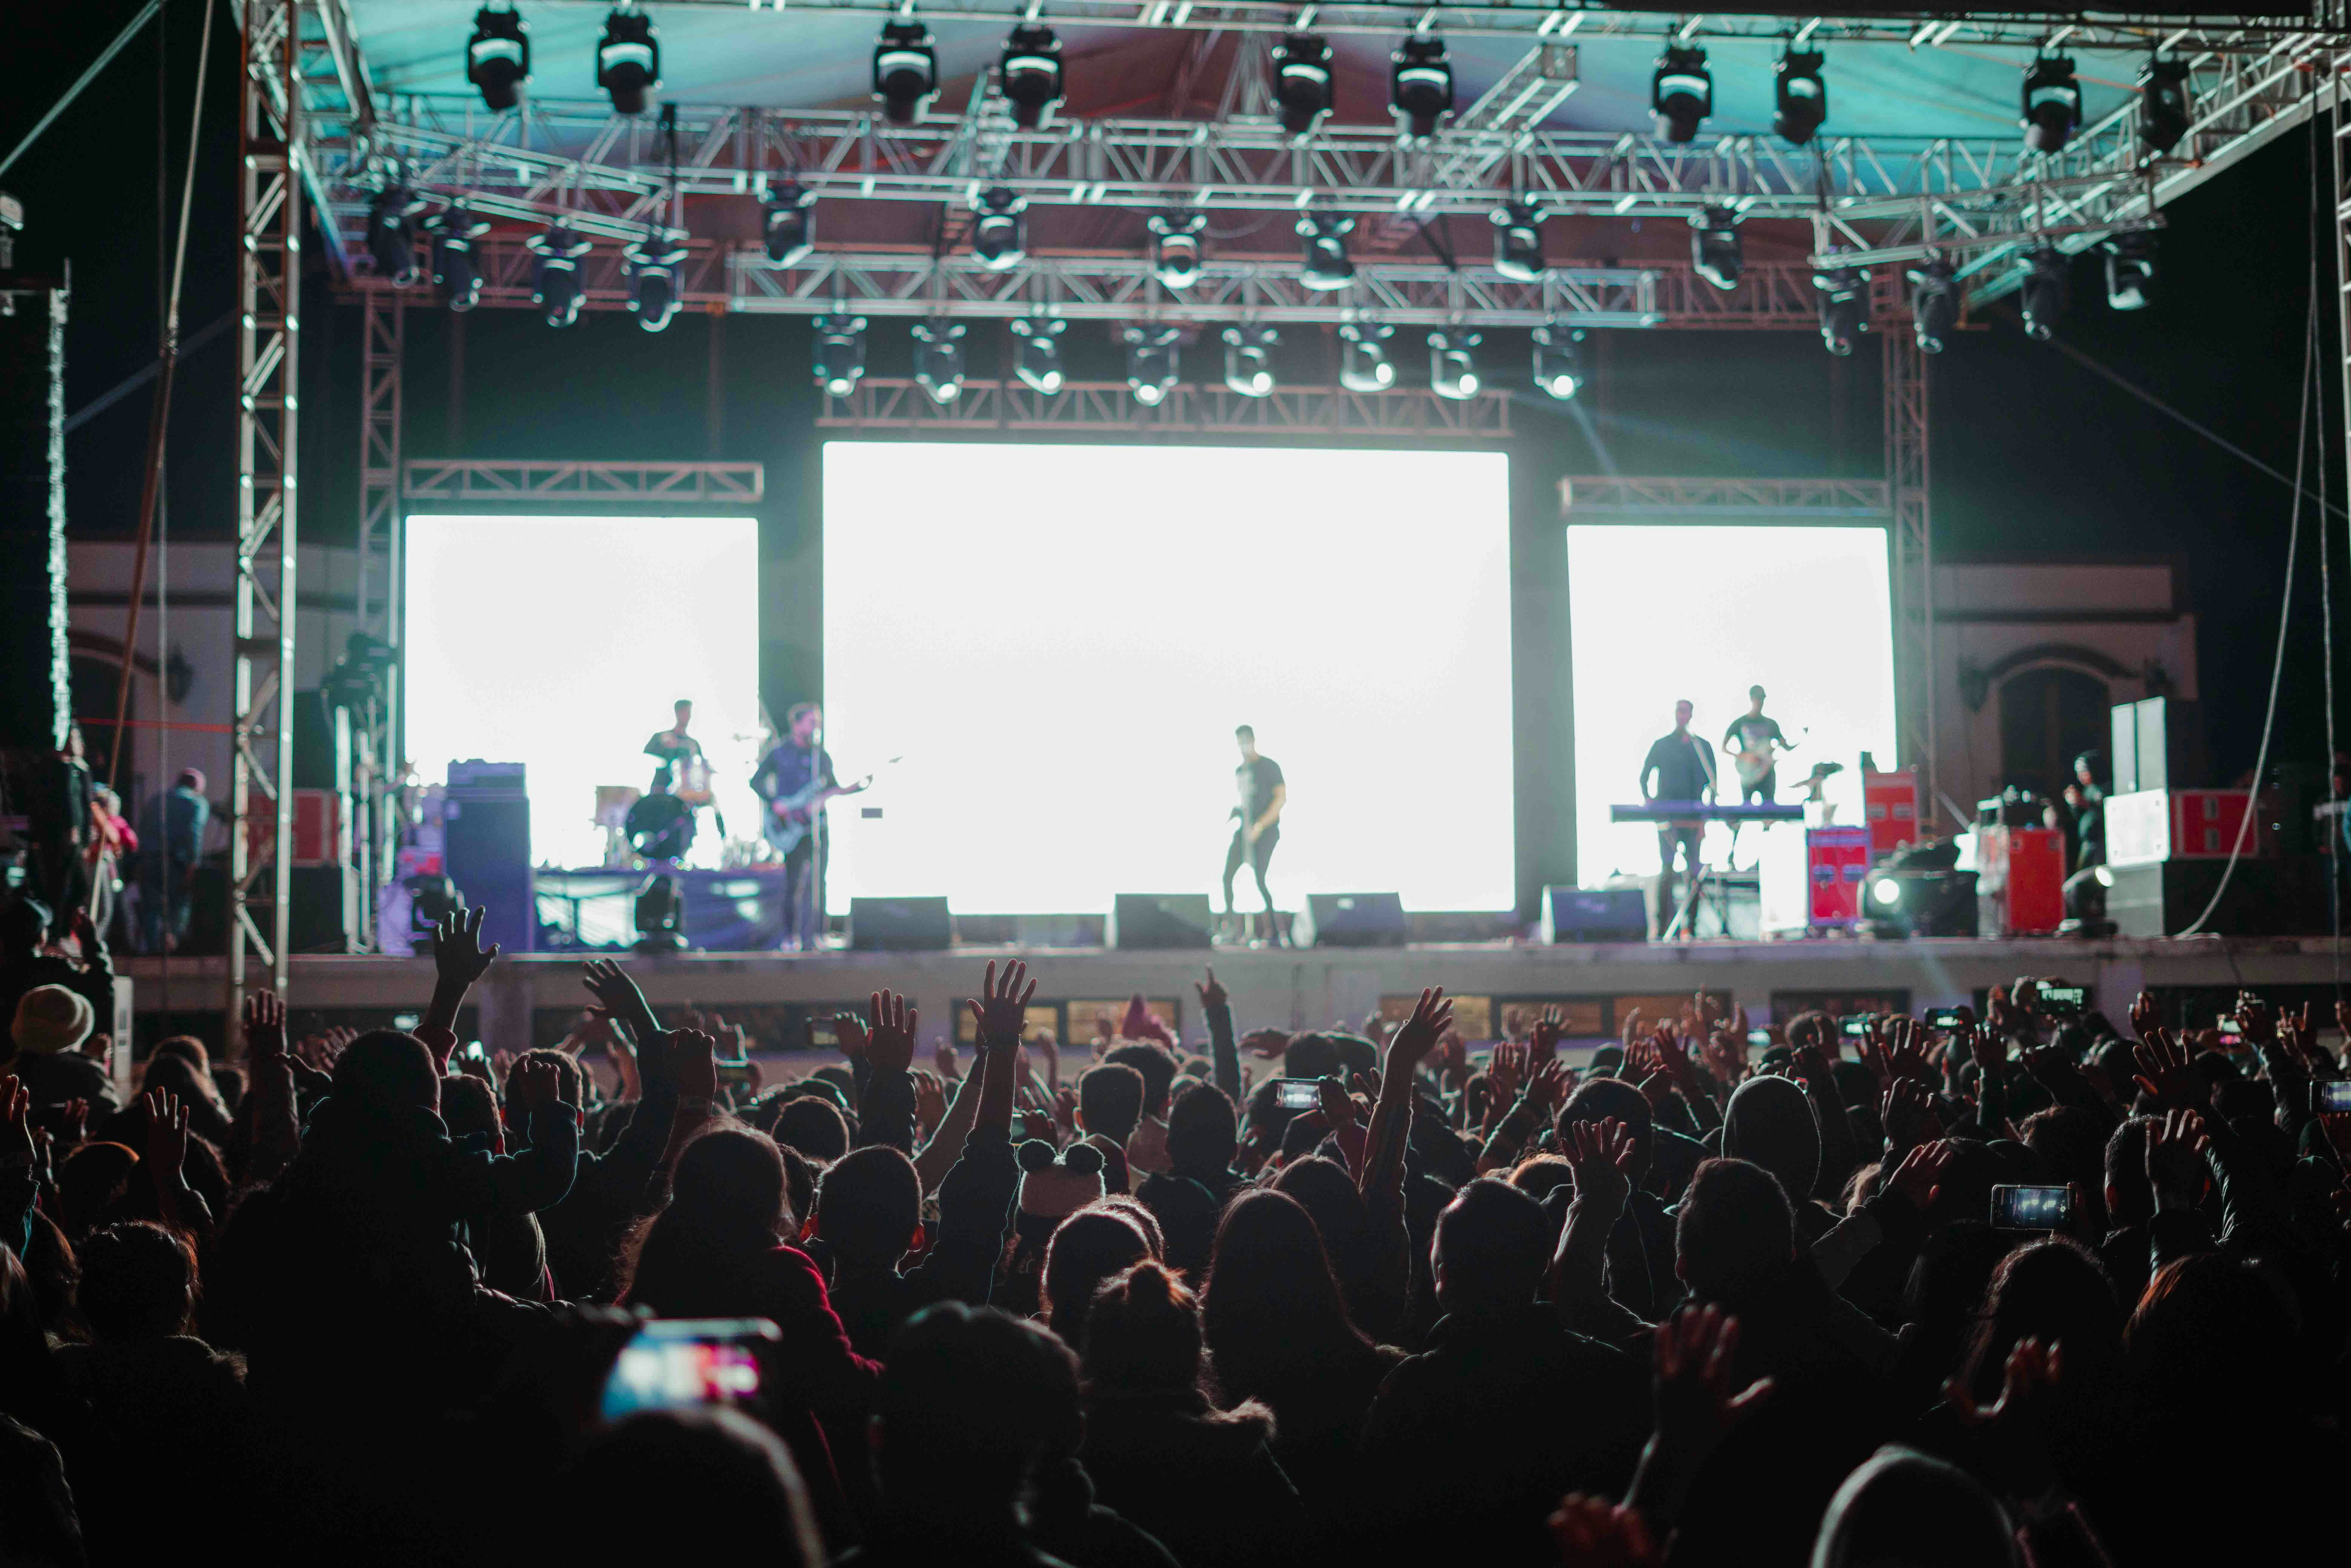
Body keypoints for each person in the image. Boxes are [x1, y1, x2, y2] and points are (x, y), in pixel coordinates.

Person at [751, 703, 866, 952]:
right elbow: (756, 781)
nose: (816, 726)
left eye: (818, 722)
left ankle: (817, 934)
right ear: (797, 723)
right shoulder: (780, 753)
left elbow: (833, 786)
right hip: (791, 826)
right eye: (811, 721)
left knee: (819, 880)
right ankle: (790, 937)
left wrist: (857, 786)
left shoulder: (820, 757)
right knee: (794, 882)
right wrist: (775, 803)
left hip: (817, 825)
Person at [1640, 699, 1715, 939]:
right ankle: (1662, 926)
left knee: (1694, 872)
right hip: (1668, 820)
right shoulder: (1662, 746)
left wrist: (1704, 819)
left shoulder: (1701, 747)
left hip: (1693, 820)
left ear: (1691, 715)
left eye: (1686, 711)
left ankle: (1690, 929)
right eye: (1679, 711)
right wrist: (1651, 803)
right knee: (1667, 870)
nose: (1682, 715)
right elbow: (1644, 777)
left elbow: (1712, 786)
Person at [1223, 724, 1285, 946]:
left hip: (1267, 830)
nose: (1244, 745)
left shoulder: (1269, 767)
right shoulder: (1241, 771)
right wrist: (1235, 814)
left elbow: (1280, 799)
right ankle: (1232, 929)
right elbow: (1245, 802)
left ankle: (1275, 933)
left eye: (1247, 740)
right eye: (1240, 741)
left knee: (1260, 877)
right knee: (1228, 876)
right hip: (1245, 831)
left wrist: (1261, 825)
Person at [139, 768, 210, 953]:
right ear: (196, 786)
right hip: (177, 863)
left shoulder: (156, 800)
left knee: (152, 908)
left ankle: (153, 950)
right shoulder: (196, 803)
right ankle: (172, 944)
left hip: (150, 860)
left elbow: (143, 829)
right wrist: (193, 863)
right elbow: (194, 833)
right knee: (179, 905)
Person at [1721, 685, 1796, 804]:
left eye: (1761, 699)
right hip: (1748, 773)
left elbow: (1786, 747)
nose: (1759, 702)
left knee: (1769, 809)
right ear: (1752, 699)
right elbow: (1724, 747)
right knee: (1746, 808)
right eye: (1757, 699)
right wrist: (1744, 756)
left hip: (1767, 773)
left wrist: (1801, 737)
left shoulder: (1771, 724)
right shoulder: (1740, 723)